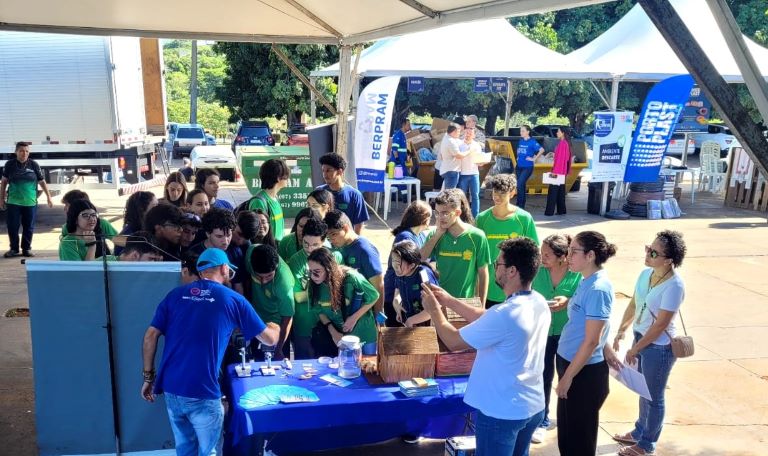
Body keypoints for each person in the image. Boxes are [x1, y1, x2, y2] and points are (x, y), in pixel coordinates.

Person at [140, 248, 280, 456]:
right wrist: (275, 326)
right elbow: (269, 339)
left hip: (171, 387)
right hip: (203, 389)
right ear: (224, 268)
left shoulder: (175, 295)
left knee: (185, 449)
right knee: (210, 451)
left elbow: (150, 336)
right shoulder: (233, 299)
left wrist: (148, 377)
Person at [420, 237, 549, 456]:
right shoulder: (537, 301)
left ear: (512, 271)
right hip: (531, 406)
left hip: (502, 412)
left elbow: (453, 341)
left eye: (498, 264)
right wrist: (449, 301)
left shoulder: (505, 314)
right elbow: (486, 317)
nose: (494, 268)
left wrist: (434, 310)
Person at [611, 231, 687, 456]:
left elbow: (660, 325)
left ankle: (646, 445)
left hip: (658, 348)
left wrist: (636, 348)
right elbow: (635, 303)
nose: (648, 254)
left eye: (654, 252)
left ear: (669, 260)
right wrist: (621, 331)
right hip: (640, 339)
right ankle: (639, 431)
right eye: (647, 248)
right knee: (643, 391)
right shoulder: (646, 274)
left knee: (654, 397)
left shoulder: (674, 286)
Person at [555, 230, 617, 455]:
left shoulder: (598, 288)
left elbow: (591, 341)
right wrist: (569, 301)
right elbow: (593, 324)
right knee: (568, 434)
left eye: (573, 252)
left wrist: (568, 377)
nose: (568, 256)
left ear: (590, 255)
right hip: (573, 365)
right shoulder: (587, 281)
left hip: (582, 373)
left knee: (579, 440)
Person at [529, 234, 582, 444]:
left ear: (562, 256)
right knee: (542, 375)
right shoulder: (537, 271)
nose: (542, 257)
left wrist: (567, 301)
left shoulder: (576, 274)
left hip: (566, 334)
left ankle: (567, 419)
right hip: (541, 332)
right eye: (542, 253)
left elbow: (582, 300)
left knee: (566, 376)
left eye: (547, 254)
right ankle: (541, 420)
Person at [476, 174, 539, 308]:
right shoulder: (482, 219)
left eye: (502, 193)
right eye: (495, 192)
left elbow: (533, 253)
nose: (497, 197)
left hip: (515, 288)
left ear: (513, 193)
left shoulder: (524, 218)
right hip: (488, 288)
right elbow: (477, 254)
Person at [420, 190, 490, 305]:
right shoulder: (435, 235)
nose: (440, 218)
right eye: (437, 213)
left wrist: (481, 305)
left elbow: (483, 273)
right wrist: (438, 233)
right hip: (439, 301)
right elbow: (421, 258)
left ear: (457, 212)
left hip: (465, 303)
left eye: (445, 213)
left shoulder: (477, 236)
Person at [287, 217, 342, 359]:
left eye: (315, 245)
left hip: (331, 323)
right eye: (306, 243)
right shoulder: (295, 261)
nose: (310, 249)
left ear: (324, 241)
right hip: (305, 324)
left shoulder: (334, 256)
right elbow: (298, 297)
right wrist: (324, 294)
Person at [307, 248, 380, 354]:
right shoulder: (314, 286)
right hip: (340, 335)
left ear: (328, 268)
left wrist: (354, 318)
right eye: (310, 271)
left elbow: (374, 295)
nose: (313, 276)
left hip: (364, 331)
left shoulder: (351, 277)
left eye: (317, 272)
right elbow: (319, 310)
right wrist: (333, 331)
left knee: (368, 366)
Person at [325, 210, 384, 315]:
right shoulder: (338, 246)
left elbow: (379, 286)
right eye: (328, 237)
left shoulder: (365, 250)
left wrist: (379, 317)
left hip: (365, 313)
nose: (332, 240)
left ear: (346, 228)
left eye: (334, 234)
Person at [1, 142, 53, 258]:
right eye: (21, 151)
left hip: (30, 202)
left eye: (26, 151)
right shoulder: (9, 164)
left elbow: (42, 181)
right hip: (13, 202)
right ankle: (14, 249)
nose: (24, 153)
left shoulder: (34, 164)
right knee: (12, 226)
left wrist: (49, 197)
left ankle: (26, 249)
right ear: (16, 152)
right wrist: (1, 199)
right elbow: (4, 182)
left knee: (28, 227)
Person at [383, 200, 431, 326]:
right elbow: (415, 262)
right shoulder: (405, 237)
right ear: (424, 218)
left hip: (410, 294)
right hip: (397, 292)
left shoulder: (420, 235)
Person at [243, 244, 295, 360]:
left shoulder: (284, 284)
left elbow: (287, 318)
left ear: (276, 269)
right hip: (255, 319)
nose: (263, 281)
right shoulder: (251, 254)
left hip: (277, 327)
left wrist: (279, 349)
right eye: (259, 276)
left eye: (269, 276)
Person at [317, 153, 369, 234]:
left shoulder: (354, 195)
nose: (324, 175)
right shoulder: (319, 192)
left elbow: (359, 224)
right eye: (323, 171)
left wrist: (354, 243)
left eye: (328, 170)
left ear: (340, 172)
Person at [391, 240, 438, 327]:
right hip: (410, 321)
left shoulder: (424, 276)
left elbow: (433, 308)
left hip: (427, 324)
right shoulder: (400, 272)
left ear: (412, 265)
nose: (395, 266)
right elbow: (398, 289)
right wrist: (396, 301)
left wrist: (411, 320)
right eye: (393, 261)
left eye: (398, 263)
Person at [247, 158, 289, 240]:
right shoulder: (259, 202)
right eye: (286, 176)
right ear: (278, 178)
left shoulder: (275, 198)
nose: (288, 179)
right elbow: (257, 233)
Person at [116, 191, 158, 255]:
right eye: (154, 206)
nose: (158, 209)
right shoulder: (129, 233)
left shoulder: (150, 227)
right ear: (142, 210)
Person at [544, 127, 572, 217]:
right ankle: (561, 210)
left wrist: (554, 172)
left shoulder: (563, 144)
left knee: (552, 192)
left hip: (558, 171)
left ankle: (549, 212)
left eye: (558, 131)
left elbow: (561, 160)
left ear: (563, 133)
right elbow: (566, 158)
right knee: (560, 192)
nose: (556, 133)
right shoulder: (565, 143)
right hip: (562, 171)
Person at [514, 125, 545, 209]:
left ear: (528, 132)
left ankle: (520, 205)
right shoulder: (521, 141)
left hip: (527, 167)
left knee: (520, 184)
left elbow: (542, 150)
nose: (521, 133)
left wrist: (534, 158)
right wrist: (518, 157)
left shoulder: (532, 141)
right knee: (521, 185)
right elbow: (518, 150)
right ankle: (520, 204)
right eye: (520, 131)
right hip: (519, 166)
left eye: (523, 131)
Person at [457, 127, 483, 218]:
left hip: (474, 174)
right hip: (463, 174)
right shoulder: (459, 144)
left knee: (475, 196)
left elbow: (479, 161)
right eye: (467, 133)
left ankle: (476, 216)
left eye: (470, 133)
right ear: (464, 133)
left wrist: (482, 162)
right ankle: (462, 216)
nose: (468, 135)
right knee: (462, 196)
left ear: (474, 135)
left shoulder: (477, 145)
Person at [438, 125, 468, 190]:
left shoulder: (446, 137)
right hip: (451, 170)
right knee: (450, 194)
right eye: (459, 132)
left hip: (448, 169)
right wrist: (469, 151)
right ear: (454, 131)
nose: (459, 134)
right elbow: (458, 155)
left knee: (448, 193)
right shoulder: (451, 141)